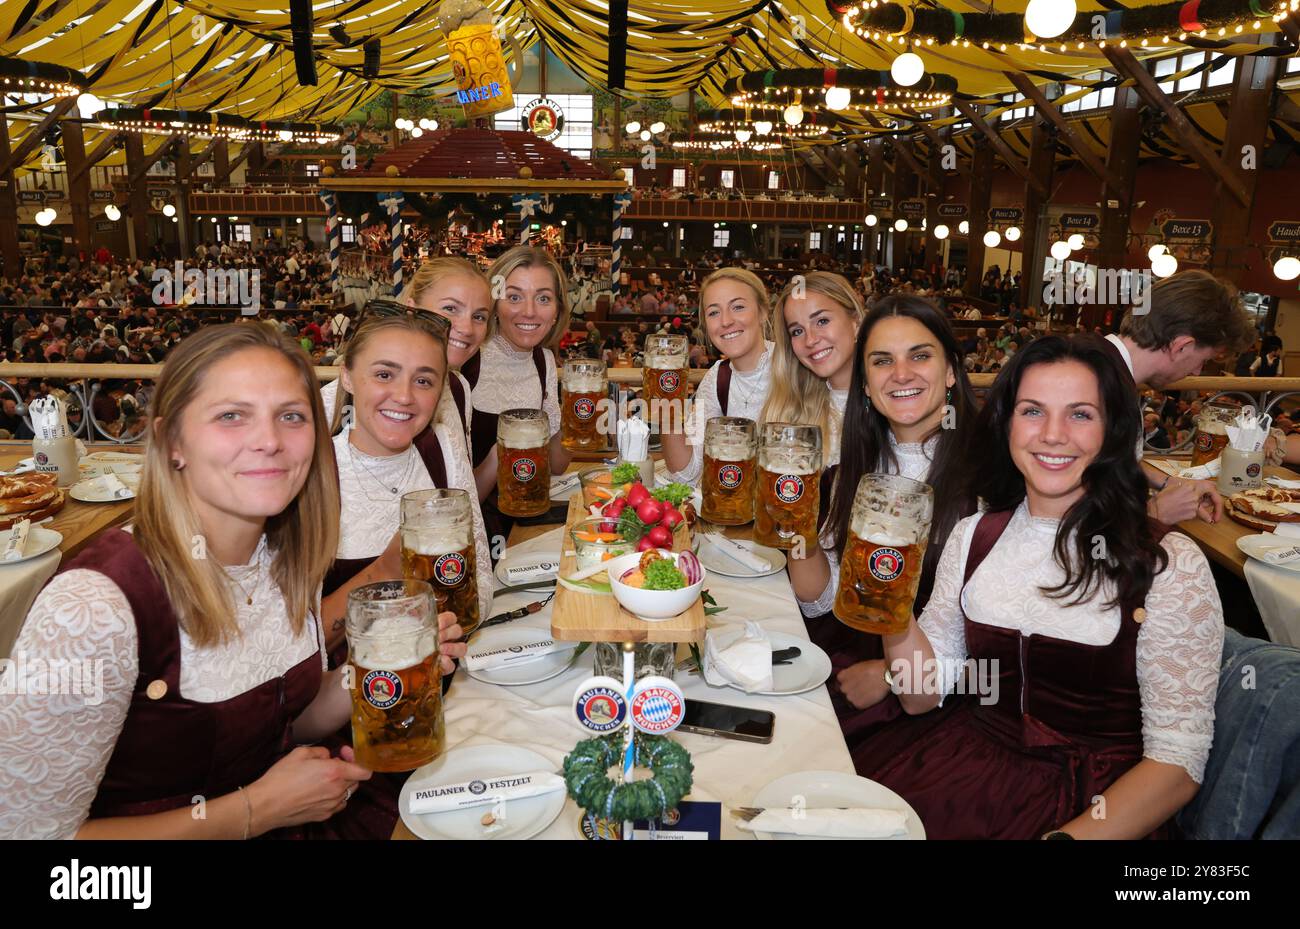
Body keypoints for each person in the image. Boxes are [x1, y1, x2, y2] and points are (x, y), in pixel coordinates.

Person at [0, 323, 459, 839]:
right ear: (171, 441)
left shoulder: (284, 555)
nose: (268, 441)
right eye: (231, 416)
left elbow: (283, 722)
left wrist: (389, 664)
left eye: (290, 416)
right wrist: (255, 809)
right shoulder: (91, 604)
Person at [858, 335, 1224, 838]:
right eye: (1032, 411)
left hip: (1096, 805)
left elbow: (1178, 763)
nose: (1053, 435)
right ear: (1007, 424)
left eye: (1080, 414)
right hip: (962, 767)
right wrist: (886, 601)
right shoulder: (974, 536)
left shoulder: (1170, 565)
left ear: (1113, 430)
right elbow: (920, 697)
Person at [787, 296, 978, 755]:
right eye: (881, 361)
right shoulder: (849, 469)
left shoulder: (995, 479)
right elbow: (823, 601)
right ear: (866, 385)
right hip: (848, 659)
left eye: (920, 355)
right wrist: (797, 530)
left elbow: (1010, 648)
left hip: (943, 701)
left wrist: (892, 676)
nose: (901, 373)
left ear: (951, 370)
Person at [319, 307, 491, 667]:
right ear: (347, 376)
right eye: (384, 374)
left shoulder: (442, 448)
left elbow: (481, 584)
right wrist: (386, 570)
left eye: (424, 381)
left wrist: (447, 636)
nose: (404, 396)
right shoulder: (311, 470)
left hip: (436, 685)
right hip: (341, 708)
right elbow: (290, 649)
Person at [1101, 269, 1255, 525]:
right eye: (1202, 361)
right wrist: (1155, 513)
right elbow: (1063, 519)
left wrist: (1169, 482)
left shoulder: (1107, 365)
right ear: (1181, 345)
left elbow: (1107, 463)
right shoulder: (1096, 387)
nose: (1196, 372)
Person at [463, 246, 571, 521]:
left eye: (543, 298)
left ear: (557, 309)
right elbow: (454, 501)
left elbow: (557, 465)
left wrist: (576, 415)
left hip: (522, 523)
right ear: (494, 305)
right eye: (514, 297)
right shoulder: (466, 358)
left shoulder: (543, 360)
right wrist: (502, 451)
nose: (529, 312)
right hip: (471, 530)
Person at [661, 268, 773, 485]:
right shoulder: (717, 377)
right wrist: (667, 406)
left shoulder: (796, 367)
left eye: (738, 307)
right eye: (713, 312)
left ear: (762, 312)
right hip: (736, 511)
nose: (725, 321)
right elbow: (687, 475)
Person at [761, 272, 864, 467]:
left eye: (822, 321)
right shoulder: (790, 409)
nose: (810, 340)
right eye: (797, 331)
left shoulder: (891, 405)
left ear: (856, 322)